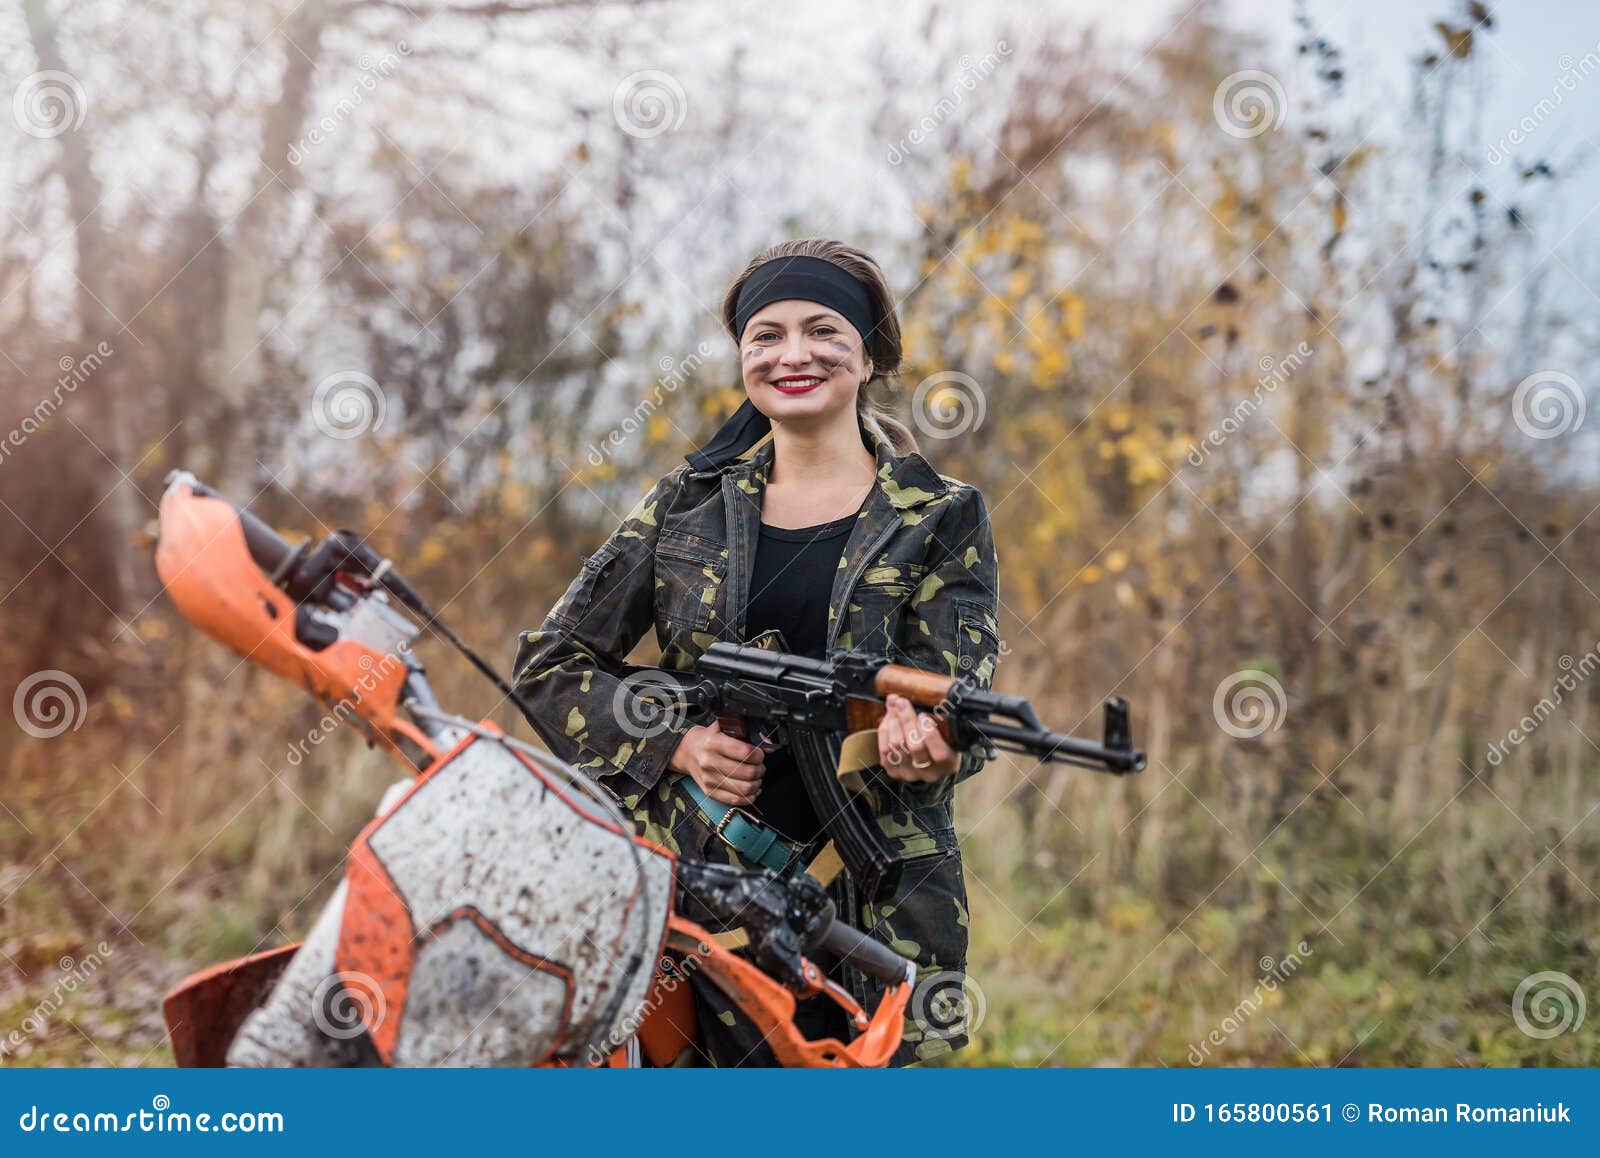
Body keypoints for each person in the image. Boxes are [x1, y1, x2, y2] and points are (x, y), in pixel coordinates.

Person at [512, 237, 1001, 1066]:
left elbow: (956, 696)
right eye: (765, 336)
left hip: (877, 908)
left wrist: (932, 747)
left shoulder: (939, 515)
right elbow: (549, 665)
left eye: (823, 330)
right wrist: (676, 743)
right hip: (693, 892)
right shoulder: (687, 504)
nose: (793, 354)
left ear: (870, 353)